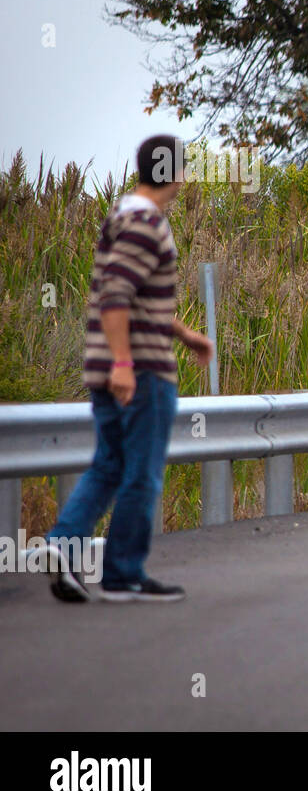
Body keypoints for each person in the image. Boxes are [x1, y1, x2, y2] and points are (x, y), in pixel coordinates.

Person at [45, 135, 213, 603]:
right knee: (142, 472)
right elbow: (117, 295)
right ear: (175, 173)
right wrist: (125, 365)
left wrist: (183, 333)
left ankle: (63, 545)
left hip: (107, 364)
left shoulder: (121, 216)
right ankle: (123, 574)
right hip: (137, 371)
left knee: (109, 465)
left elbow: (131, 297)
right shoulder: (147, 222)